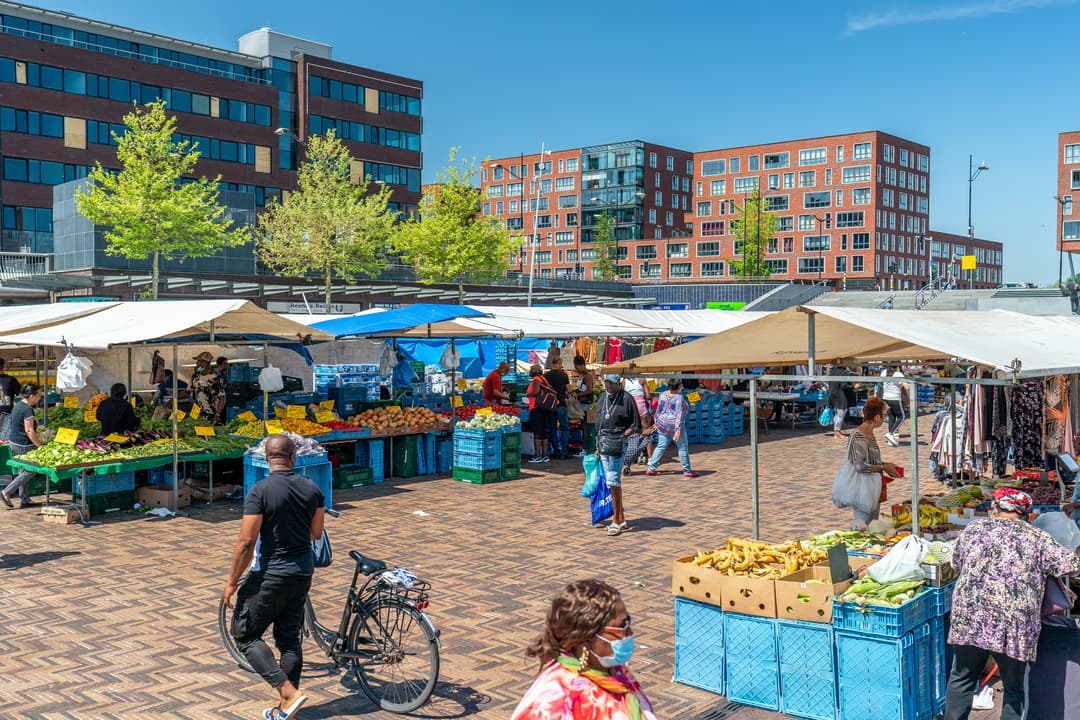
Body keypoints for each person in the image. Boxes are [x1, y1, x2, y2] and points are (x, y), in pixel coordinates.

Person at [944, 488, 1080, 720]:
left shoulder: (973, 529)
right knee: (1013, 689)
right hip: (1013, 626)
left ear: (995, 508)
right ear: (1026, 513)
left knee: (961, 679)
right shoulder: (1037, 537)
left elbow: (956, 563)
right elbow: (1072, 565)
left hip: (971, 618)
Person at [222, 434, 325, 720]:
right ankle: (286, 710)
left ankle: (288, 693)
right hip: (303, 571)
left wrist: (231, 582)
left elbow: (245, 542)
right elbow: (316, 533)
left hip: (271, 574)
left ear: (268, 459)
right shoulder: (313, 489)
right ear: (294, 457)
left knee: (245, 635)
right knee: (289, 640)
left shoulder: (260, 491)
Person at [510, 578, 655, 720]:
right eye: (621, 626)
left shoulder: (612, 670)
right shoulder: (556, 703)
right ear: (585, 638)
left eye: (628, 622)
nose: (630, 633)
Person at [844, 397, 902, 528]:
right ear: (877, 417)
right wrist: (883, 467)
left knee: (872, 525)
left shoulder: (870, 434)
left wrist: (886, 465)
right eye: (884, 415)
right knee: (862, 526)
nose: (885, 418)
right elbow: (859, 465)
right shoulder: (859, 436)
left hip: (872, 489)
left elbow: (871, 460)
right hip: (862, 490)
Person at [595, 375, 640, 536]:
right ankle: (621, 517)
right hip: (604, 442)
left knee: (613, 479)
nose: (609, 386)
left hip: (618, 442)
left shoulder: (627, 398)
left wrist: (622, 437)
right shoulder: (603, 397)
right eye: (607, 383)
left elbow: (635, 425)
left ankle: (616, 520)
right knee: (611, 482)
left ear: (618, 384)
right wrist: (598, 445)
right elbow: (599, 420)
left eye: (612, 383)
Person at [0, 384, 44, 509]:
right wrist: (40, 445)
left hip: (14, 442)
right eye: (39, 395)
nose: (39, 398)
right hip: (23, 444)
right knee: (31, 470)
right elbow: (29, 431)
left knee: (22, 470)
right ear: (31, 396)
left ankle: (24, 499)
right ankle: (6, 492)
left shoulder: (18, 405)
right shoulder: (27, 409)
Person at [645, 377, 697, 478]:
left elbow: (659, 409)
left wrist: (656, 422)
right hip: (674, 426)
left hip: (663, 424)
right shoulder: (679, 398)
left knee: (661, 446)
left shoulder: (663, 394)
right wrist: (678, 429)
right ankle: (687, 470)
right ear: (679, 386)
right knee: (682, 448)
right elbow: (679, 414)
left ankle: (651, 468)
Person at [526, 364, 554, 463]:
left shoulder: (536, 379)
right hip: (545, 409)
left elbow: (536, 391)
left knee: (537, 433)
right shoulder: (544, 379)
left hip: (536, 409)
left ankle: (537, 455)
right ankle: (545, 455)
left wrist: (529, 394)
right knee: (544, 433)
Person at [545, 355, 571, 460]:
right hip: (561, 404)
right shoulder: (564, 375)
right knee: (564, 428)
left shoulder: (546, 376)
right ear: (559, 363)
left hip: (550, 405)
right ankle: (564, 452)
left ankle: (556, 451)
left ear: (552, 364)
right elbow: (568, 390)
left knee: (553, 429)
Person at [191, 351, 226, 424]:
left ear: (206, 363)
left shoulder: (217, 379)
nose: (197, 364)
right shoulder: (195, 377)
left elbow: (222, 399)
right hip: (197, 415)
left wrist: (217, 414)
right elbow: (194, 394)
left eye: (199, 361)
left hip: (211, 415)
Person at [879, 365, 908, 447]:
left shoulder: (883, 372)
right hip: (895, 398)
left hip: (886, 398)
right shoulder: (898, 374)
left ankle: (890, 440)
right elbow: (907, 387)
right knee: (902, 417)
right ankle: (891, 434)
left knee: (891, 417)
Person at [826, 365, 851, 440]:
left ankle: (837, 431)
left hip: (832, 395)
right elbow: (844, 385)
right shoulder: (842, 372)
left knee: (837, 414)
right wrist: (853, 386)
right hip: (840, 395)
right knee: (841, 413)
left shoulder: (831, 372)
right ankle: (837, 432)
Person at [0, 357, 21, 440]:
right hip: (7, 412)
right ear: (4, 366)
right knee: (4, 439)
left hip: (5, 412)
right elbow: (20, 393)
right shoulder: (11, 379)